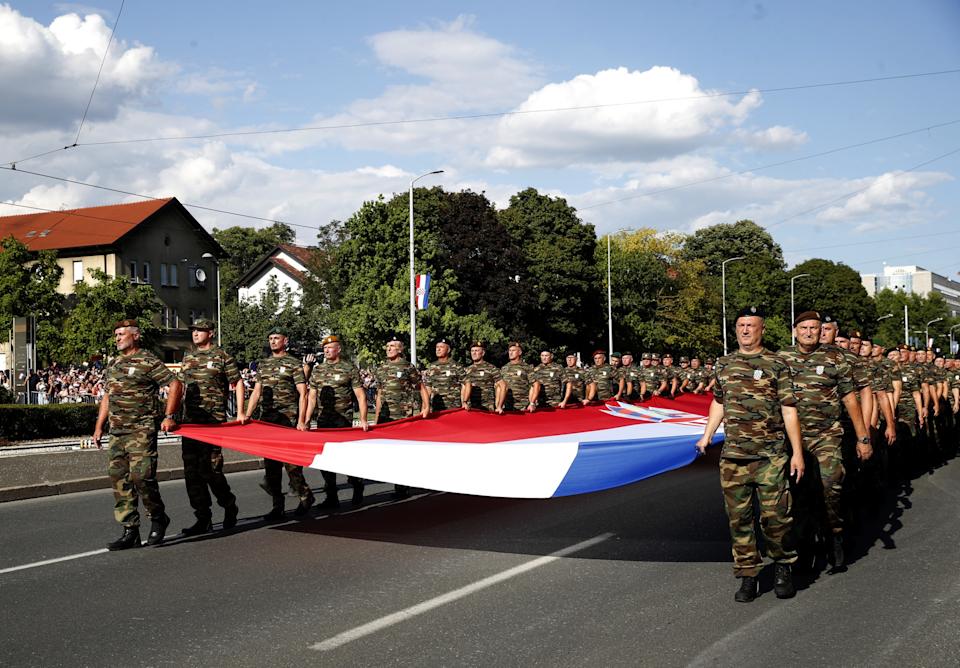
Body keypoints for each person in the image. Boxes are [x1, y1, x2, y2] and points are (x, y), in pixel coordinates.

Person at [696, 306, 805, 602]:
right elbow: (718, 402)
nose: (745, 330)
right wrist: (707, 435)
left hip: (770, 456)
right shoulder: (724, 364)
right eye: (741, 325)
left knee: (776, 517)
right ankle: (748, 575)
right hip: (734, 457)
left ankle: (783, 566)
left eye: (751, 325)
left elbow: (788, 408)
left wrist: (797, 452)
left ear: (762, 329)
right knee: (739, 520)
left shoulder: (776, 364)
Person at [779, 311, 872, 569]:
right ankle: (804, 543)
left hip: (826, 435)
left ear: (821, 331)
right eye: (804, 328)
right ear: (795, 330)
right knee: (796, 492)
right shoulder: (781, 359)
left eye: (814, 328)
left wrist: (863, 437)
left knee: (831, 484)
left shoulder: (835, 358)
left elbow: (849, 398)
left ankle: (834, 533)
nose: (809, 332)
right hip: (791, 438)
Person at [93, 319, 183, 550]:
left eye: (122, 334)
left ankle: (158, 516)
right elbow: (107, 396)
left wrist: (169, 415)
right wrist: (98, 426)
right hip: (117, 432)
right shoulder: (114, 363)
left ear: (135, 336)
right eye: (116, 334)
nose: (118, 338)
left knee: (142, 477)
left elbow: (174, 384)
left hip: (141, 430)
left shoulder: (147, 360)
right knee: (119, 480)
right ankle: (130, 530)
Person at [176, 318, 242, 535]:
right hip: (190, 423)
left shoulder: (222, 356)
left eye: (200, 330)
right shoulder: (189, 357)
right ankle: (203, 517)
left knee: (211, 471)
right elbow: (180, 387)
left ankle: (229, 504)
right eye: (193, 330)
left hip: (213, 423)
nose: (195, 334)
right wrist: (173, 415)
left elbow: (237, 382)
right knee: (191, 473)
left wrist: (240, 412)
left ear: (211, 333)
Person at [244, 327, 314, 520]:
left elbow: (303, 393)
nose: (273, 341)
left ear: (285, 340)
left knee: (291, 465)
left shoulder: (293, 364)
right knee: (271, 466)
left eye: (277, 338)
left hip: (287, 419)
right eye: (271, 338)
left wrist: (301, 420)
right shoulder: (264, 364)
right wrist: (247, 415)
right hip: (268, 420)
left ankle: (305, 495)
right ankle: (278, 505)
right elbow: (256, 392)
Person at [301, 334, 369, 508]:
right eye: (324, 348)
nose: (326, 350)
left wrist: (362, 419)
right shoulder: (318, 370)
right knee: (326, 460)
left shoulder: (349, 368)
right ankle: (331, 496)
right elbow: (312, 397)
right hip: (324, 421)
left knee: (346, 459)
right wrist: (307, 420)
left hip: (343, 422)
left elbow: (360, 396)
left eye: (330, 347)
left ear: (338, 349)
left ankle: (357, 484)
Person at [374, 335, 430, 498]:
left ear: (400, 349)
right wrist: (377, 415)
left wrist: (426, 407)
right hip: (386, 416)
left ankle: (402, 486)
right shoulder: (381, 368)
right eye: (387, 346)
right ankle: (398, 481)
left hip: (403, 415)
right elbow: (379, 393)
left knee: (401, 450)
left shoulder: (407, 367)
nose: (389, 348)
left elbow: (420, 387)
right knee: (389, 452)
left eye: (392, 346)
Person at [423, 338, 465, 412]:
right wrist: (424, 407)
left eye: (441, 347)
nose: (438, 349)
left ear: (448, 350)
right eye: (437, 347)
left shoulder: (456, 366)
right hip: (436, 409)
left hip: (454, 408)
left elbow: (465, 385)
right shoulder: (432, 367)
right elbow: (428, 388)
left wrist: (464, 402)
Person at [496, 341, 539, 413]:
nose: (510, 352)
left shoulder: (526, 367)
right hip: (506, 408)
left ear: (519, 352)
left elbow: (536, 385)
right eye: (509, 350)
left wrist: (532, 403)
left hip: (522, 407)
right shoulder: (504, 368)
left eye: (513, 350)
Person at [462, 341, 501, 411]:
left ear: (483, 353)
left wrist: (499, 406)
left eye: (476, 351)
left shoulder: (491, 368)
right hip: (471, 408)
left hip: (487, 408)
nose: (474, 353)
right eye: (472, 351)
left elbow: (501, 386)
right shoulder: (466, 370)